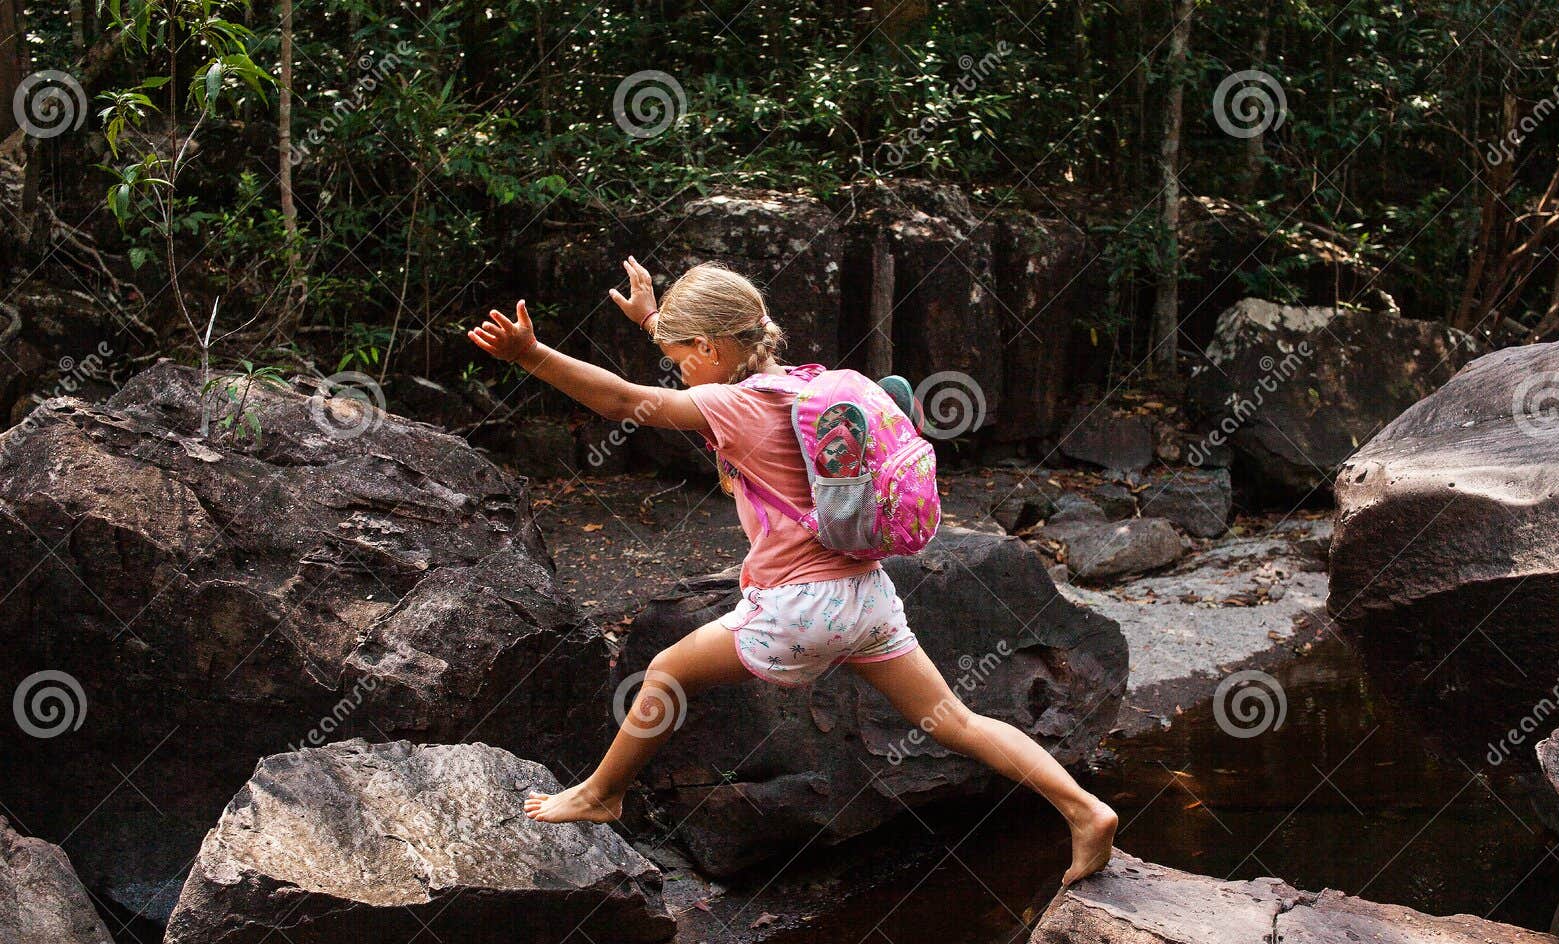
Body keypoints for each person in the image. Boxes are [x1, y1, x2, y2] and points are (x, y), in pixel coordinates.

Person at [466, 258, 1117, 884]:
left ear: (713, 349)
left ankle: (602, 792)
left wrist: (531, 356)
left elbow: (619, 401)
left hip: (803, 609)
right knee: (956, 719)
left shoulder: (733, 405)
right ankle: (1085, 810)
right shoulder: (804, 382)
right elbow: (712, 357)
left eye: (678, 359)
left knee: (665, 671)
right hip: (867, 598)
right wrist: (655, 319)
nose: (678, 375)